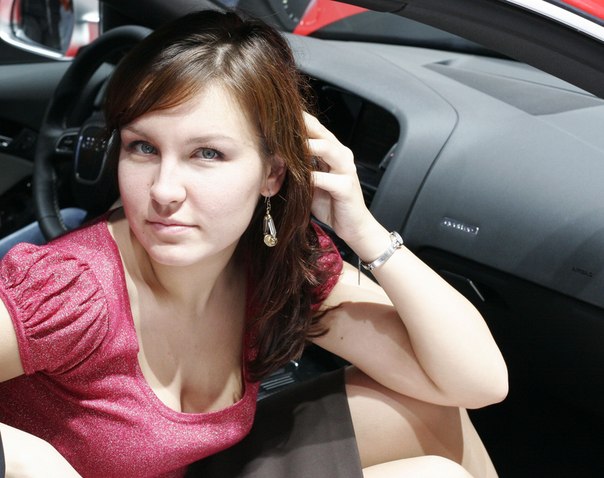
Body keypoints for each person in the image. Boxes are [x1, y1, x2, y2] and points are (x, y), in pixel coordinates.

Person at [0, 9, 508, 478]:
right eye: (143, 147)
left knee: (433, 415)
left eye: (207, 154)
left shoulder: (272, 266)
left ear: (272, 173)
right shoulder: (69, 293)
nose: (164, 190)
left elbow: (477, 382)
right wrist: (25, 459)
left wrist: (364, 231)